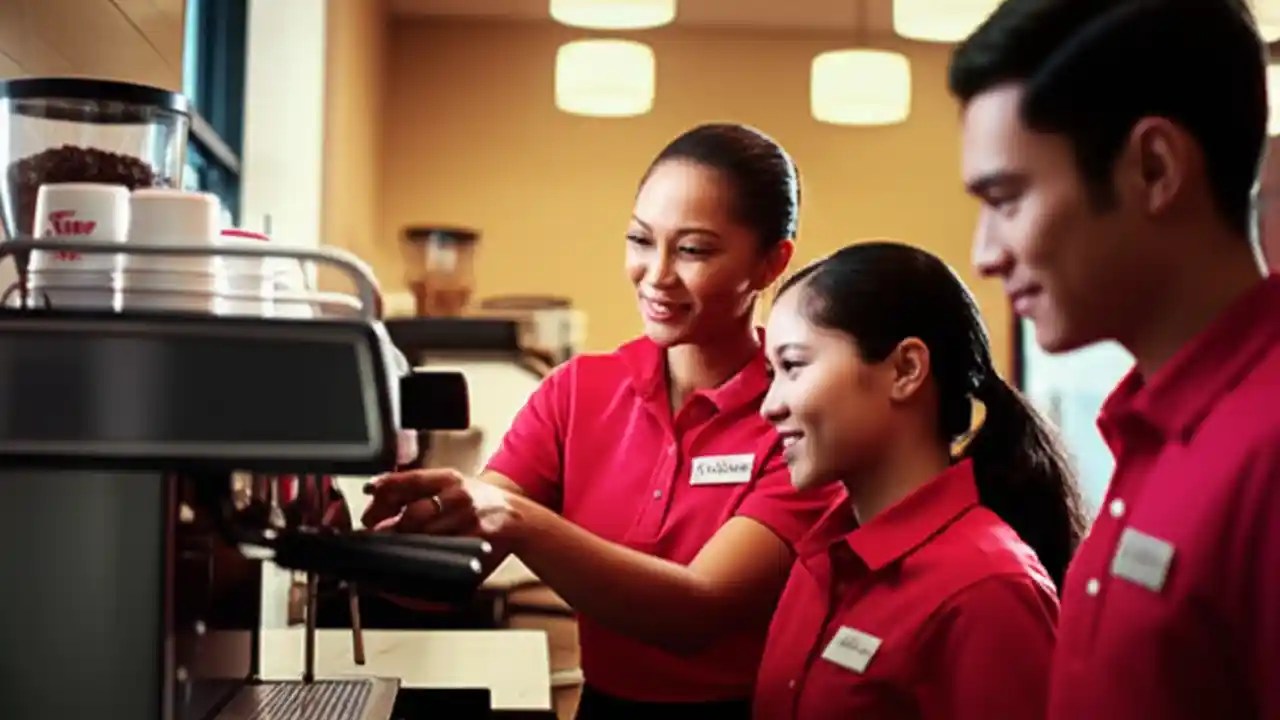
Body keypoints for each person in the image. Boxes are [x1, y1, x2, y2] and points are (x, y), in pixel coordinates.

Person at [362, 123, 836, 718]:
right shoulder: (577, 392)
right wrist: (359, 551)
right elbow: (459, 569)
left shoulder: (798, 417)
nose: (656, 274)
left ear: (771, 262)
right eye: (641, 240)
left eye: (693, 250)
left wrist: (518, 520)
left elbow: (696, 613)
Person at [950, 1, 1280, 718]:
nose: (985, 254)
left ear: (1154, 168)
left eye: (1007, 199)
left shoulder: (1266, 443)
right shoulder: (1154, 425)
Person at [752, 241, 1086, 720]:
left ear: (905, 369)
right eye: (771, 373)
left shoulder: (988, 589)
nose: (770, 406)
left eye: (793, 367)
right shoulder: (821, 558)